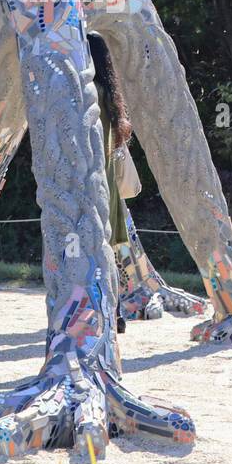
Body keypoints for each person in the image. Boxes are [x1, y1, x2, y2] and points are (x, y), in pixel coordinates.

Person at [89, 31, 132, 333]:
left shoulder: (89, 90)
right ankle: (115, 313)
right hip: (110, 184)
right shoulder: (110, 94)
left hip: (93, 182)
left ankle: (101, 312)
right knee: (110, 251)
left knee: (91, 252)